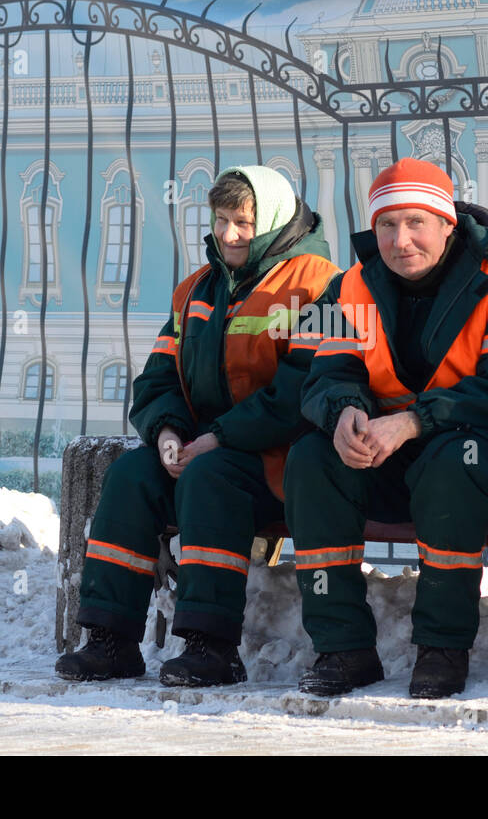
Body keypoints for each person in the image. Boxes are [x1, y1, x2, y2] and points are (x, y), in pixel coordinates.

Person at [285, 157, 488, 699]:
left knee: (451, 459)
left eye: (416, 222)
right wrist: (343, 411)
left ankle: (442, 647)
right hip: (402, 457)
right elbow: (327, 372)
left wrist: (415, 422)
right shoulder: (351, 287)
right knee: (312, 458)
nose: (400, 239)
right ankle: (342, 648)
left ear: (448, 223)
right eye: (388, 225)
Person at [55, 165, 338, 686]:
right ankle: (109, 639)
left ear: (272, 222)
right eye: (222, 220)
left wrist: (217, 439)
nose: (229, 234)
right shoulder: (195, 291)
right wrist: (166, 433)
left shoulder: (319, 284)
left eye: (244, 223)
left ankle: (212, 647)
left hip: (280, 461)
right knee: (133, 476)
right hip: (205, 450)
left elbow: (302, 391)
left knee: (212, 480)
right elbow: (159, 375)